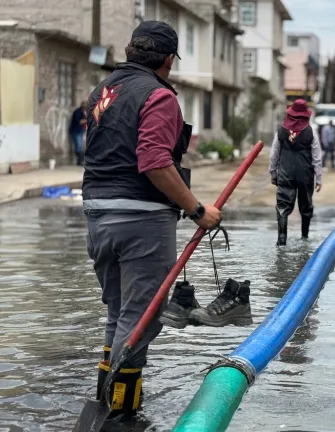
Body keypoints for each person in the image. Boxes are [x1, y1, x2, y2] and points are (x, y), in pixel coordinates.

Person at [82, 21, 234, 419]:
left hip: (97, 214)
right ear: (168, 59)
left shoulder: (102, 92)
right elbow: (153, 161)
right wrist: (199, 211)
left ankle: (102, 402)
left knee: (118, 312)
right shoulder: (158, 95)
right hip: (142, 220)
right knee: (140, 319)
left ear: (131, 52)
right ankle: (123, 416)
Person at [268, 99, 323, 246]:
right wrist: (318, 178)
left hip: (285, 174)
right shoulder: (311, 132)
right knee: (306, 206)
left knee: (283, 206)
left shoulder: (281, 131)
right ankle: (304, 238)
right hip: (306, 175)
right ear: (306, 116)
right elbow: (317, 157)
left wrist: (273, 173)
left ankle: (281, 240)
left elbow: (274, 154)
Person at [70, 101, 87, 165]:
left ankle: (79, 161)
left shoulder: (83, 112)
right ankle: (79, 161)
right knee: (79, 146)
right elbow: (80, 121)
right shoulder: (78, 112)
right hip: (76, 131)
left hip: (81, 131)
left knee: (80, 146)